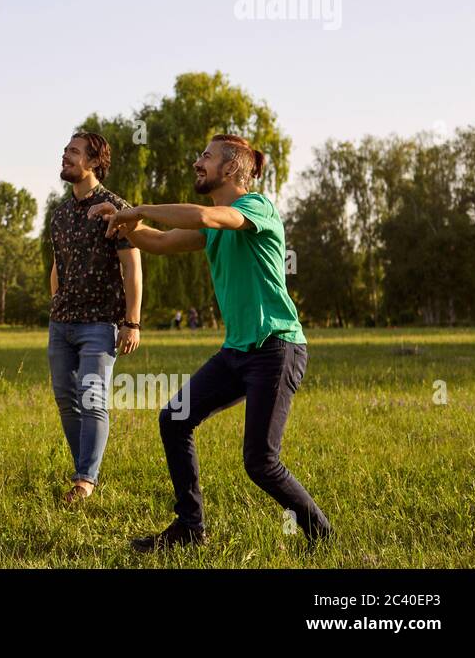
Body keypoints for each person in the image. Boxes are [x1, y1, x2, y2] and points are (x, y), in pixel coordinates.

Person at [91, 134, 332, 551]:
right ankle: (189, 527)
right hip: (238, 350)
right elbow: (163, 242)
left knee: (260, 463)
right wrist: (126, 224)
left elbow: (207, 218)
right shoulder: (216, 223)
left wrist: (140, 209)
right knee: (175, 419)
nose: (197, 163)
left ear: (231, 168)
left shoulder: (256, 208)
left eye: (206, 157)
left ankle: (321, 534)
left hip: (277, 348)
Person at [48, 132, 142, 503]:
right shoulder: (59, 214)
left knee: (92, 399)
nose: (65, 156)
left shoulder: (115, 208)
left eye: (73, 151)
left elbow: (132, 265)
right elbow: (58, 264)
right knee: (65, 400)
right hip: (62, 322)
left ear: (93, 161)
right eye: (65, 150)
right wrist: (56, 303)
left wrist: (131, 321)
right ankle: (83, 467)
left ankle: (86, 479)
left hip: (100, 323)